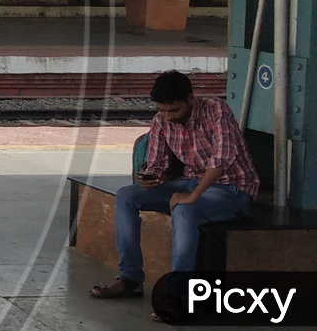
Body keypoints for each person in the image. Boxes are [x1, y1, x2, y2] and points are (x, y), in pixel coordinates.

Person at [90, 70, 258, 300]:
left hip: (231, 189)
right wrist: (150, 177)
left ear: (191, 99)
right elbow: (157, 163)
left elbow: (221, 160)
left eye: (174, 110)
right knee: (126, 196)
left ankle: (177, 293)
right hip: (188, 182)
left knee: (185, 209)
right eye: (163, 110)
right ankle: (130, 279)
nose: (168, 117)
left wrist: (192, 196)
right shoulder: (161, 121)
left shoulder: (216, 110)